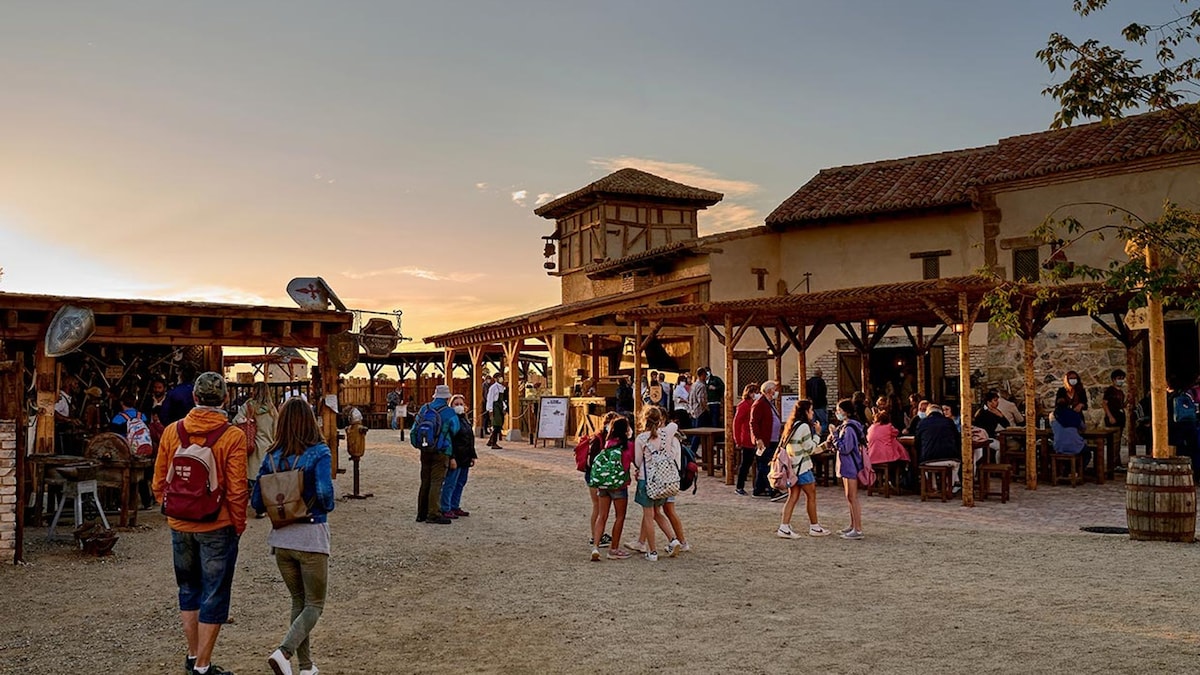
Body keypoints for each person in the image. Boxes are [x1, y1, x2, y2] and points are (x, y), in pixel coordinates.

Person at [152, 371, 247, 675]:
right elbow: (237, 489)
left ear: (194, 397)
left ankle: (193, 655)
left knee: (188, 589)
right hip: (217, 524)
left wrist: (173, 509)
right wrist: (238, 523)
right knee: (214, 593)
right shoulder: (232, 436)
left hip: (180, 523)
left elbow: (159, 480)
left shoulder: (172, 431)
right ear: (225, 399)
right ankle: (203, 667)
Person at [250, 397, 335, 675]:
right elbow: (324, 494)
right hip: (310, 535)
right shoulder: (319, 452)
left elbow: (257, 501)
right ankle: (284, 652)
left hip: (282, 539)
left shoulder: (271, 456)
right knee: (314, 604)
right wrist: (325, 506)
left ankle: (306, 666)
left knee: (299, 601)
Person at [627, 405, 678, 562]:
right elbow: (674, 426)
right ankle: (673, 539)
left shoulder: (641, 438)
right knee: (657, 512)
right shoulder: (665, 434)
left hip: (647, 479)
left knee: (648, 515)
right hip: (663, 479)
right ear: (660, 420)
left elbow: (638, 461)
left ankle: (653, 551)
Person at [775, 399, 831, 538]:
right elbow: (810, 448)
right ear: (806, 412)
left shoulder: (792, 425)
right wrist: (817, 434)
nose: (812, 413)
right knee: (811, 496)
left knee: (793, 497)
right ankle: (814, 526)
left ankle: (784, 526)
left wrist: (824, 445)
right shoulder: (804, 427)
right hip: (802, 467)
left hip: (793, 467)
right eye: (810, 410)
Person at [589, 416, 634, 561]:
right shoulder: (628, 446)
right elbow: (634, 462)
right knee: (619, 516)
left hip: (604, 484)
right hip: (619, 485)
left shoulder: (608, 444)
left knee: (602, 516)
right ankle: (614, 548)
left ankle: (596, 546)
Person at [416, 384, 460, 525]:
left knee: (425, 481)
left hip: (425, 449)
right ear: (447, 398)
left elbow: (414, 429)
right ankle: (433, 514)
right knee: (436, 482)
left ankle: (421, 513)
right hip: (442, 450)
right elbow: (455, 429)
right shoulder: (449, 412)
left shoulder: (425, 408)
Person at [236, 382, 278, 520]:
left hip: (253, 446)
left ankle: (258, 507)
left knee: (253, 479)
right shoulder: (272, 410)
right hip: (268, 446)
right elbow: (277, 430)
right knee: (267, 478)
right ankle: (267, 504)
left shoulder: (248, 406)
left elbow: (236, 421)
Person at [831, 399, 866, 540]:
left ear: (846, 412)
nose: (837, 413)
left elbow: (846, 448)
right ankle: (853, 525)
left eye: (839, 410)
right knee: (849, 497)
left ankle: (858, 528)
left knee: (853, 497)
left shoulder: (849, 428)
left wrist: (834, 436)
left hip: (851, 465)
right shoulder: (845, 427)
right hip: (846, 465)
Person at [587, 412, 622, 548]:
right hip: (596, 476)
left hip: (595, 475)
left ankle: (598, 534)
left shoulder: (601, 438)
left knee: (599, 508)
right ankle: (595, 536)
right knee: (598, 507)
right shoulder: (599, 439)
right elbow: (592, 461)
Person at [440, 394, 478, 520]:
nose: (459, 406)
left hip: (465, 456)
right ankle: (445, 508)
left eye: (461, 404)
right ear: (451, 406)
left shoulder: (465, 420)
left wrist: (472, 455)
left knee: (461, 482)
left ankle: (455, 506)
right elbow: (449, 440)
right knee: (450, 483)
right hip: (456, 457)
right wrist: (451, 457)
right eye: (456, 404)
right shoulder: (451, 420)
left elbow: (470, 439)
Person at [749, 380, 784, 498]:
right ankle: (772, 489)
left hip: (772, 439)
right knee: (765, 465)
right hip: (764, 440)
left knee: (764, 464)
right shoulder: (760, 403)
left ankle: (758, 489)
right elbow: (753, 422)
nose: (776, 392)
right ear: (769, 391)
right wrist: (758, 438)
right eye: (774, 390)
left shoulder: (769, 403)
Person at [732, 383, 761, 496]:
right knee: (745, 464)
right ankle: (739, 486)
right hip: (747, 439)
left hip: (756, 438)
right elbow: (737, 423)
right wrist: (737, 440)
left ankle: (758, 486)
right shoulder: (743, 405)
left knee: (759, 463)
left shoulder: (756, 404)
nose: (756, 394)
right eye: (754, 392)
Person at [1051, 396, 1089, 465]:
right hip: (1075, 445)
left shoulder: (1053, 417)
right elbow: (1083, 428)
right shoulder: (1074, 415)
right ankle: (1079, 469)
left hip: (1059, 447)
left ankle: (1066, 469)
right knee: (1087, 453)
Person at [973, 391, 1009, 461]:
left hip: (990, 437)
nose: (997, 402)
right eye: (995, 400)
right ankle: (998, 465)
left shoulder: (995, 411)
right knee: (1000, 447)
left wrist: (1001, 415)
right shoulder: (981, 412)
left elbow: (1006, 425)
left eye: (997, 400)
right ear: (989, 402)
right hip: (983, 438)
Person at [1102, 369, 1127, 466]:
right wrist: (1110, 416)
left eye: (1122, 378)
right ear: (1113, 379)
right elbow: (1104, 404)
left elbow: (1121, 405)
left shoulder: (1121, 392)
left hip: (1120, 419)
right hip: (1113, 419)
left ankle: (1117, 462)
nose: (1121, 380)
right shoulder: (1110, 391)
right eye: (1119, 378)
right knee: (1114, 443)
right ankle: (1113, 463)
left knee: (1118, 443)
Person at [687, 368, 710, 457]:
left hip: (693, 411)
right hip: (700, 411)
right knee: (700, 433)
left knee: (695, 432)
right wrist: (706, 408)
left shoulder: (693, 385)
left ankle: (693, 451)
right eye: (705, 375)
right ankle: (692, 452)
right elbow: (701, 399)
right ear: (702, 375)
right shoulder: (701, 386)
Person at [486, 377, 506, 449]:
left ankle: (490, 441)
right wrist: (490, 410)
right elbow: (490, 399)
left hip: (500, 407)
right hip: (495, 407)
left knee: (500, 424)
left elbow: (502, 400)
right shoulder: (493, 387)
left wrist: (504, 407)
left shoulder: (502, 387)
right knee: (496, 425)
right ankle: (494, 443)